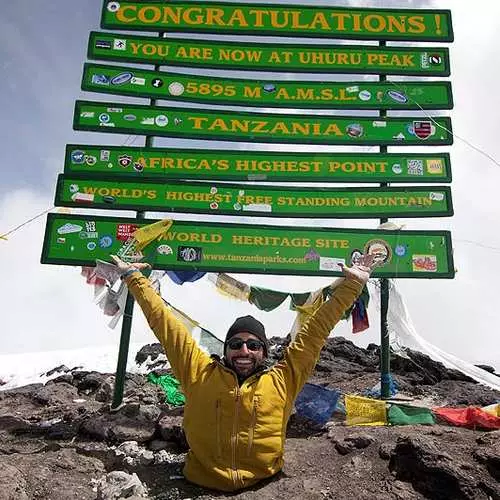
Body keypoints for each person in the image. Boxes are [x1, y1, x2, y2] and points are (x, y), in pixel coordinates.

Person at [111, 254, 374, 492]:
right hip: (200, 482)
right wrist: (134, 277)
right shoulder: (198, 373)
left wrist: (353, 285)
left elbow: (316, 332)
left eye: (253, 345)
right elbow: (166, 325)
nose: (244, 351)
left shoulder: (283, 379)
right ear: (226, 350)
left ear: (264, 351)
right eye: (235, 345)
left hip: (264, 485)